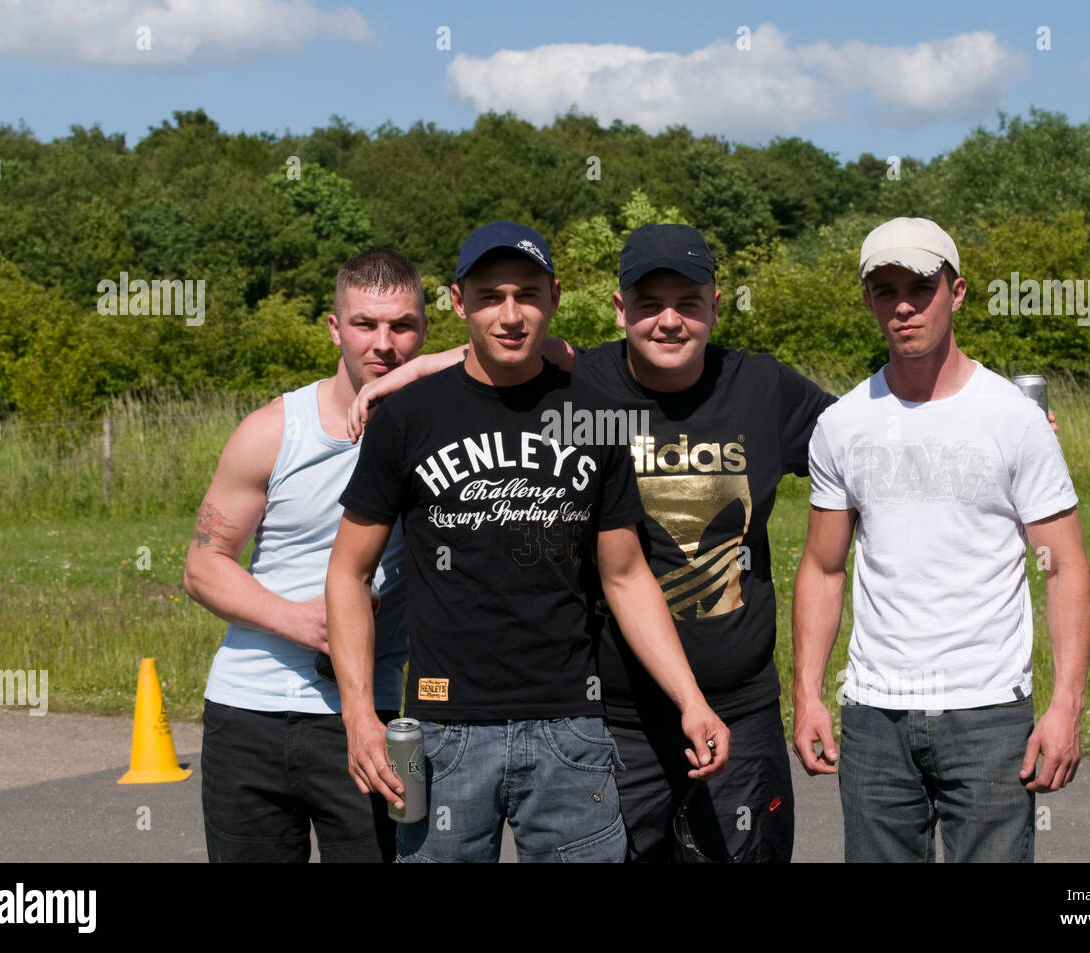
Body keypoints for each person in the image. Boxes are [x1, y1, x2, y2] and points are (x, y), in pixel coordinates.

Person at [344, 224, 839, 862]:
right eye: (648, 304)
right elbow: (502, 349)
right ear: (618, 308)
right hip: (610, 716)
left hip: (730, 707)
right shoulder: (590, 388)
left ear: (717, 305)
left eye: (688, 302)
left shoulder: (762, 388)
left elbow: (864, 445)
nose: (668, 321)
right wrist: (414, 373)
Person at [791, 216, 1090, 862]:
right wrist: (807, 692)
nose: (903, 305)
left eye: (920, 286)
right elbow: (823, 567)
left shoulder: (1013, 420)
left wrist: (1066, 702)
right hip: (875, 716)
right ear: (868, 300)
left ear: (956, 293)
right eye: (885, 289)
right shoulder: (842, 425)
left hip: (988, 714)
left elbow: (1064, 566)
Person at [182, 248, 427, 862]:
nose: (384, 344)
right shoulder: (273, 430)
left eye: (402, 326)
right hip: (248, 712)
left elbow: (539, 353)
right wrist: (301, 621)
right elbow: (203, 565)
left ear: (426, 328)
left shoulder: (440, 425)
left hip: (369, 715)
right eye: (365, 324)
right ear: (334, 327)